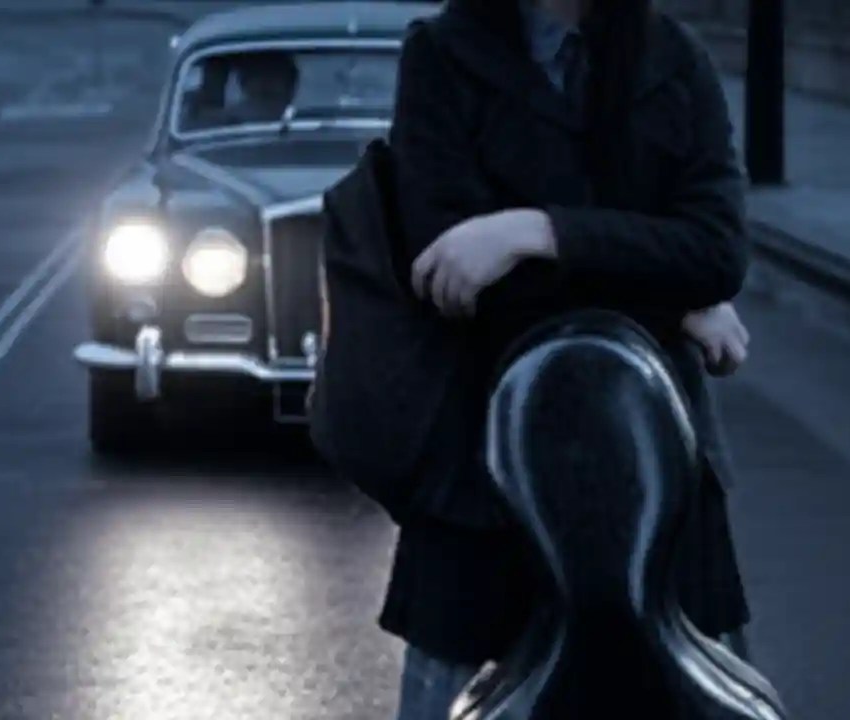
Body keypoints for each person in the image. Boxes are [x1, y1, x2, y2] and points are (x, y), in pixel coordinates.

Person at [323, 0, 754, 717]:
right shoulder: (444, 55)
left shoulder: (674, 58)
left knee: (702, 691)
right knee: (443, 690)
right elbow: (452, 273)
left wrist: (535, 231)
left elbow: (717, 251)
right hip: (488, 445)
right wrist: (670, 296)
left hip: (653, 452)